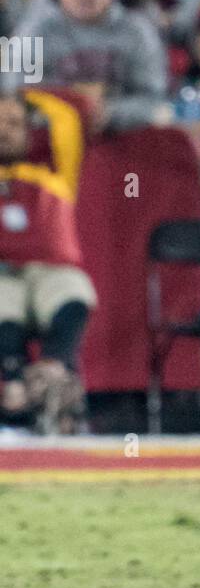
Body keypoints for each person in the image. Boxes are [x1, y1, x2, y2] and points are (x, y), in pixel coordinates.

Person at [0, 90, 95, 432]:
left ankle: (52, 368)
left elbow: (68, 120)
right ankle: (14, 385)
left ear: (28, 130)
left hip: (49, 271)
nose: (5, 130)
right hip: (3, 275)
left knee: (74, 289)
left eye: (13, 123)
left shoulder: (55, 176)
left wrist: (26, 93)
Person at [11, 0, 167, 133]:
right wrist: (69, 111)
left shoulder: (138, 31)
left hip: (120, 140)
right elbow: (14, 94)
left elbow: (155, 99)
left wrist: (111, 113)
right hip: (48, 139)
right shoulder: (32, 30)